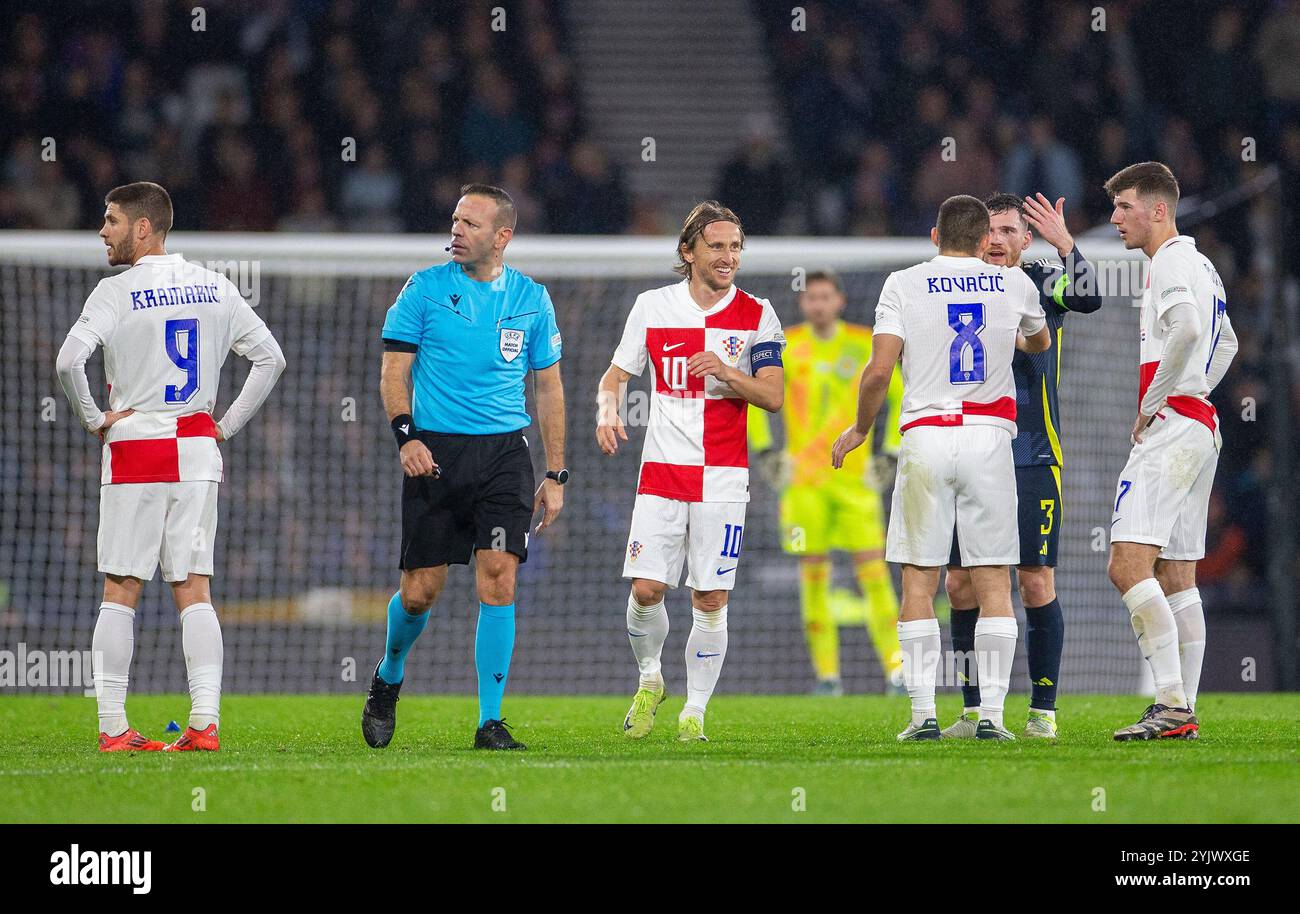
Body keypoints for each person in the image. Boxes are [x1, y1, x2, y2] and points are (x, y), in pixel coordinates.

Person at [55, 181, 286, 752]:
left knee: (121, 588)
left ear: (143, 227)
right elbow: (271, 358)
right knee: (193, 588)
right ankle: (204, 725)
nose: (102, 230)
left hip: (135, 443)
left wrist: (94, 418)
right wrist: (224, 426)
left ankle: (114, 728)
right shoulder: (214, 285)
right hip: (195, 448)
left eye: (111, 220)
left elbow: (68, 361)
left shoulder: (115, 291)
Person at [832, 195, 1050, 741]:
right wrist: (1016, 335)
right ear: (984, 241)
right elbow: (1040, 342)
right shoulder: (1014, 284)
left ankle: (924, 715)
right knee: (995, 579)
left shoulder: (902, 284)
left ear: (935, 236)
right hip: (991, 439)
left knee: (919, 579)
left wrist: (861, 428)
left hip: (926, 435)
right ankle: (994, 719)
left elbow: (879, 371)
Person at [361, 183, 567, 751]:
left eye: (471, 223)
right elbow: (392, 372)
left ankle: (489, 721)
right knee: (421, 592)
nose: (456, 230)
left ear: (502, 237)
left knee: (499, 578)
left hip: (504, 455)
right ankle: (389, 673)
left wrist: (556, 472)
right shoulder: (424, 289)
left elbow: (548, 388)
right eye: (455, 219)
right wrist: (406, 437)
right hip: (435, 457)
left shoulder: (531, 298)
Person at [597, 201, 785, 742]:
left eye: (735, 247)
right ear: (689, 252)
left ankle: (694, 711)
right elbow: (614, 377)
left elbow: (773, 395)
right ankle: (651, 679)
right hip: (661, 470)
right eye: (717, 246)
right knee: (648, 589)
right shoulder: (653, 306)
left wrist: (728, 371)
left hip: (724, 476)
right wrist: (608, 413)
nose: (728, 257)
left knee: (710, 598)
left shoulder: (757, 314)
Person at [943, 192, 1103, 740]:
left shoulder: (1041, 281)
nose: (997, 240)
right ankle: (971, 712)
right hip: (969, 455)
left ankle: (1043, 712)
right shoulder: (953, 286)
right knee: (961, 585)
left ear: (1025, 239)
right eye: (989, 230)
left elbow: (1088, 298)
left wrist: (1067, 243)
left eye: (1009, 231)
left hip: (1032, 455)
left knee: (1035, 582)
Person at [1104, 162, 1236, 741]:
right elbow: (1224, 340)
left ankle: (1172, 704)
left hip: (1174, 424)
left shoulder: (1171, 260)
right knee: (1178, 573)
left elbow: (1184, 331)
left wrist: (1153, 403)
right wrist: (1199, 386)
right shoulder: (1203, 263)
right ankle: (1182, 709)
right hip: (1201, 424)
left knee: (1126, 563)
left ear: (1158, 209)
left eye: (1124, 207)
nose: (1115, 219)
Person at [749, 270, 905, 696]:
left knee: (874, 575)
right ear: (803, 304)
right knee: (812, 575)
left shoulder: (864, 341)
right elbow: (754, 400)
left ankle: (896, 670)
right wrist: (766, 453)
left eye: (825, 296)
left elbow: (901, 394)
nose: (817, 303)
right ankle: (827, 676)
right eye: (810, 297)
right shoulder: (787, 346)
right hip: (803, 487)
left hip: (856, 485)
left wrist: (889, 454)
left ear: (839, 300)